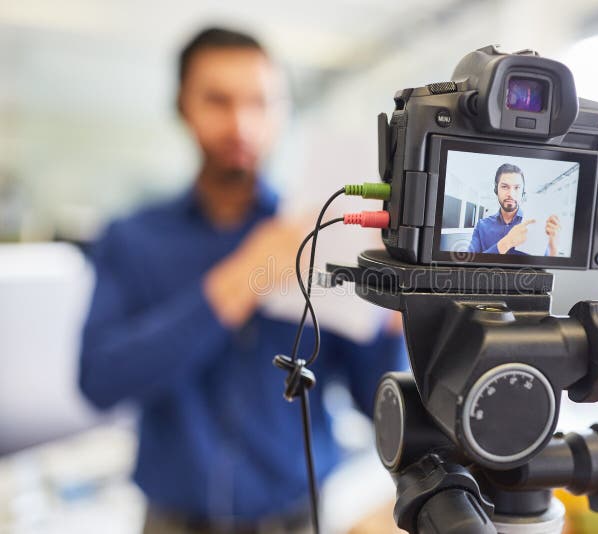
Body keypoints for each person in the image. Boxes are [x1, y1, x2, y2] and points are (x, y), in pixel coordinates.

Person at [78, 27, 405, 534]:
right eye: (218, 100)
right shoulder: (131, 240)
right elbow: (99, 380)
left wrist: (393, 315)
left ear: (283, 112)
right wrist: (243, 279)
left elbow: (372, 399)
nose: (240, 123)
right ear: (183, 106)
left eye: (260, 102)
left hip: (299, 518)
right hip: (171, 522)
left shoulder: (321, 233)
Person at [467, 163, 561, 256]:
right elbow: (468, 264)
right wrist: (507, 242)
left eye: (517, 188)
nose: (511, 194)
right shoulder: (481, 226)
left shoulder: (535, 225)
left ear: (523, 193)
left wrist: (554, 247)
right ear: (496, 190)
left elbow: (543, 268)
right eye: (504, 187)